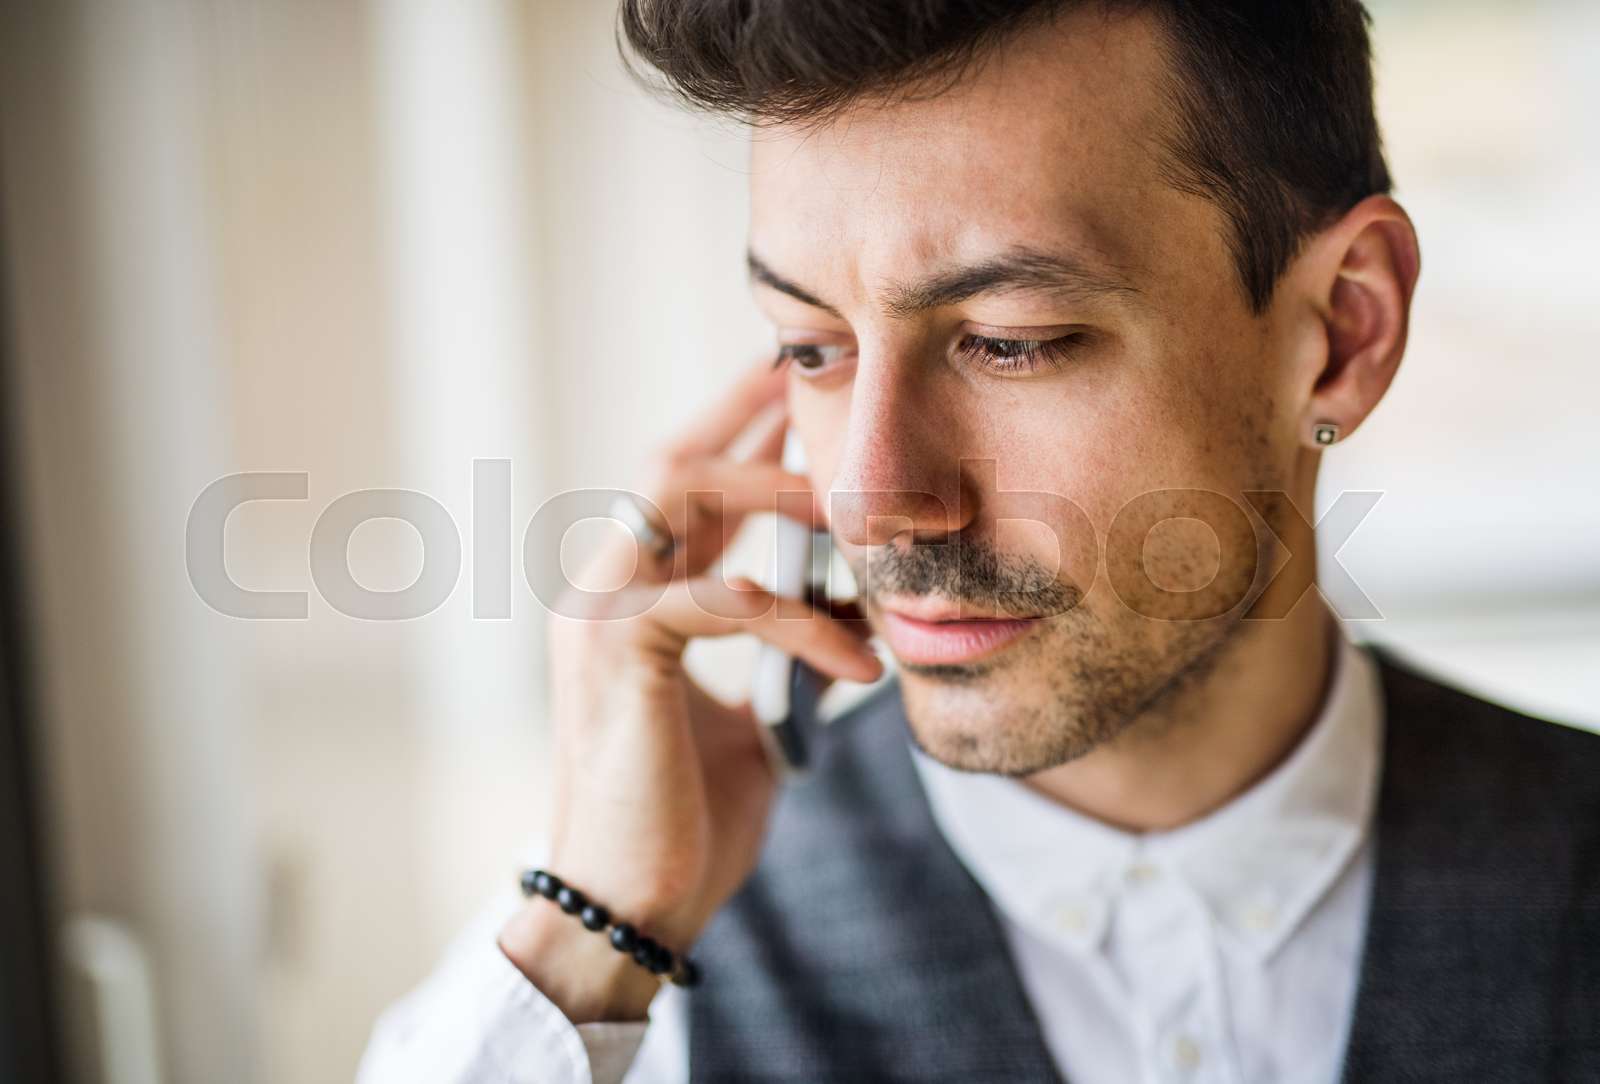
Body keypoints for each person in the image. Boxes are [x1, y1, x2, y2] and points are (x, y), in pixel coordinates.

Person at [357, 2, 1600, 1081]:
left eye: (1011, 339)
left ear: (1340, 330)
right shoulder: (634, 977)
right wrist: (592, 926)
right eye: (811, 346)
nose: (869, 498)